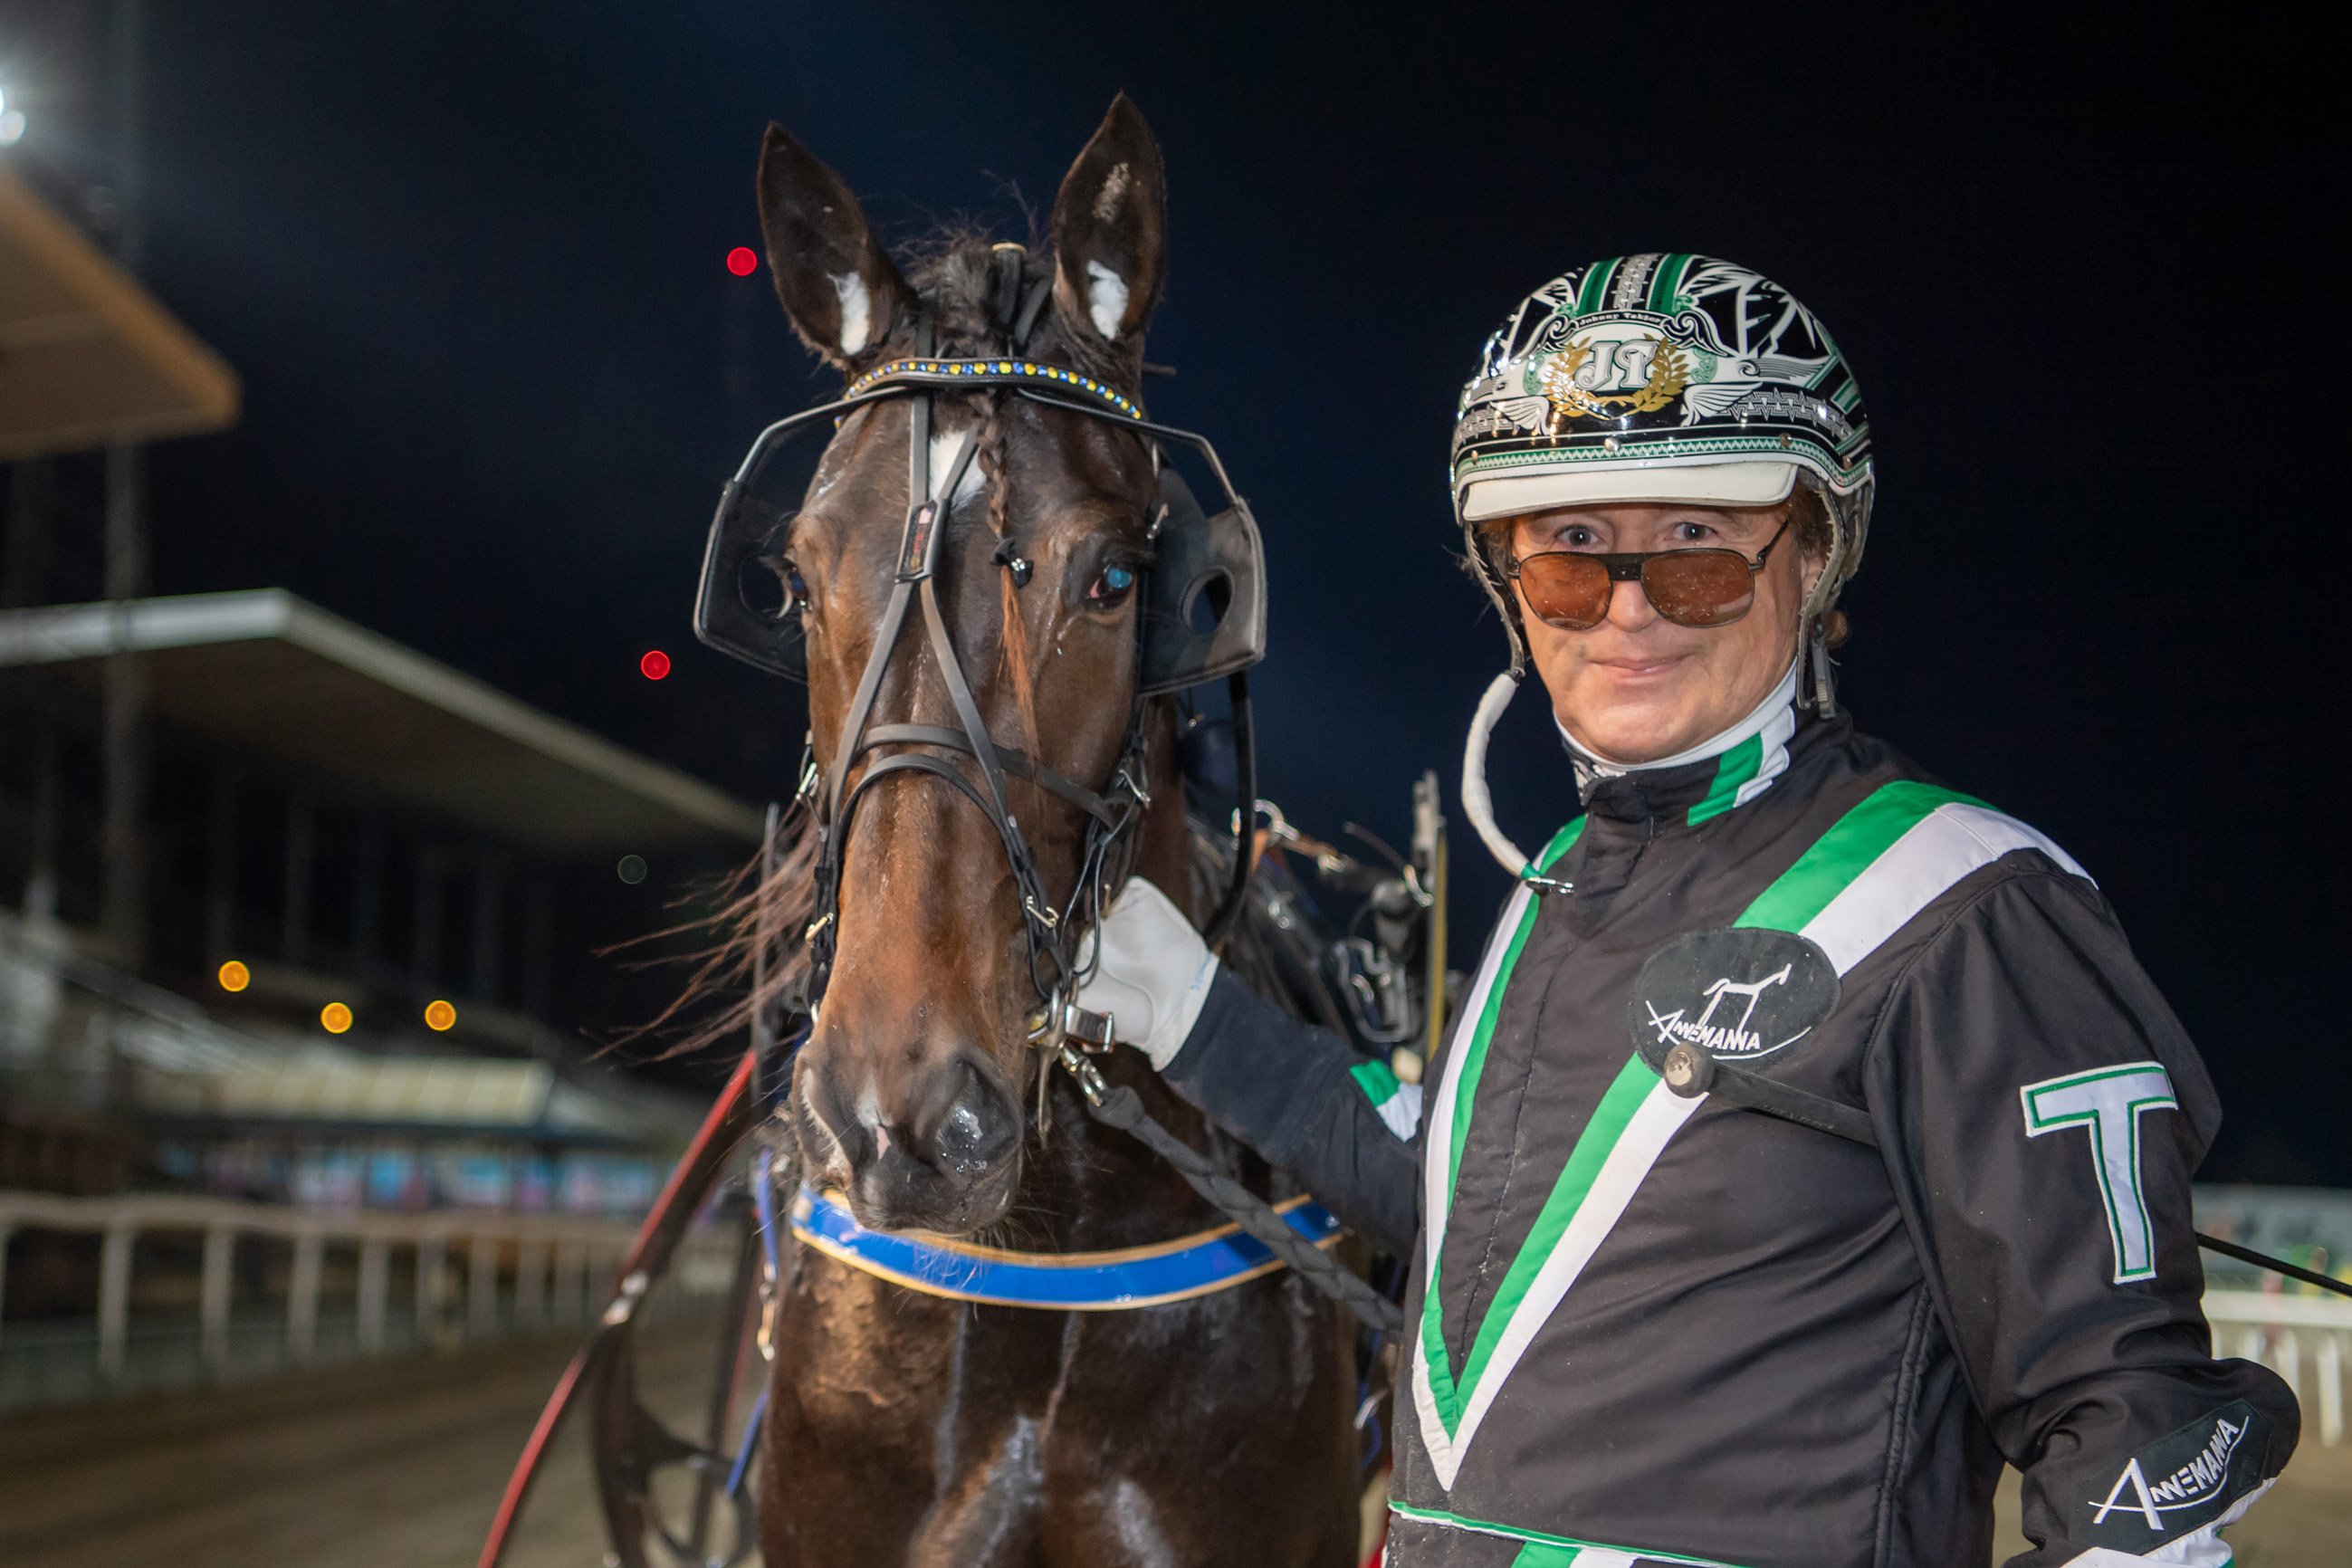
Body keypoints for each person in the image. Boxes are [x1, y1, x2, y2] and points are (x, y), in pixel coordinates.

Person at [1074, 255, 2298, 1568]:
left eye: (1699, 550)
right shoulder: (1560, 881)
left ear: (1813, 558)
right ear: (1508, 587)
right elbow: (1466, 1214)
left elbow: (2119, 1425)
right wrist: (1194, 1012)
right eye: (1569, 558)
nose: (1628, 610)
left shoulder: (1965, 900)